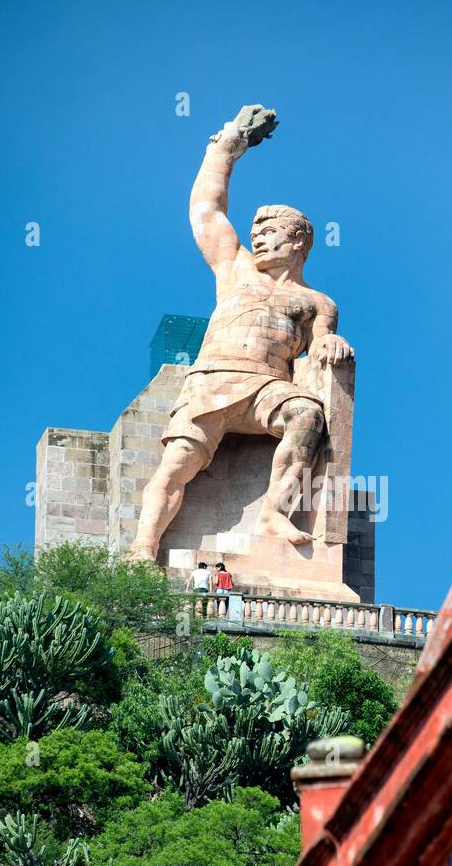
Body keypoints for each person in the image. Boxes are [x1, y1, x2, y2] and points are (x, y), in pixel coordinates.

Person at [129, 104, 354, 563]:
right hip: (212, 377)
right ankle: (141, 548)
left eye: (270, 232)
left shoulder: (318, 303)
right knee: (176, 467)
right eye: (255, 230)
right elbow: (206, 208)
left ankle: (275, 510)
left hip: (268, 386)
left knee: (307, 415)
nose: (259, 237)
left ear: (298, 243)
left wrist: (329, 342)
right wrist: (229, 144)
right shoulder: (235, 268)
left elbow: (317, 351)